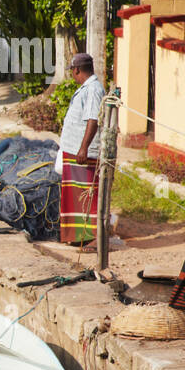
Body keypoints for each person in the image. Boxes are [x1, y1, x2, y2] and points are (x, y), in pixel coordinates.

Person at [58, 52, 106, 245]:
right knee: (75, 195)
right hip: (73, 150)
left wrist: (83, 148)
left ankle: (92, 237)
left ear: (77, 70)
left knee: (87, 195)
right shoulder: (86, 88)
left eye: (73, 71)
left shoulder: (93, 89)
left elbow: (93, 119)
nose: (72, 75)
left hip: (84, 153)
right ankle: (77, 237)